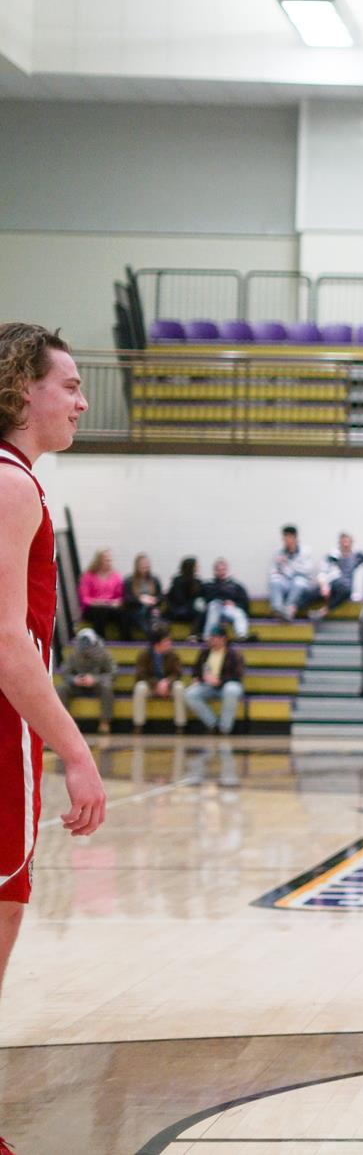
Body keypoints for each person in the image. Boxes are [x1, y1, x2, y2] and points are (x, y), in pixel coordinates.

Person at [0, 324, 107, 1035]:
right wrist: (77, 751)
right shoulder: (12, 484)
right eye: (69, 387)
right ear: (21, 389)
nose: (82, 402)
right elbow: (8, 643)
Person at [184, 630, 246, 734]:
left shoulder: (234, 654)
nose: (211, 640)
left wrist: (220, 680)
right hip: (208, 686)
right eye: (210, 638)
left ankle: (224, 728)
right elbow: (196, 670)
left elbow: (238, 676)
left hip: (227, 685)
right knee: (189, 694)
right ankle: (213, 724)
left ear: (223, 639)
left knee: (231, 690)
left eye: (214, 638)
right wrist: (197, 678)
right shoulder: (205, 653)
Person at [57, 627, 117, 733]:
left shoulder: (104, 654)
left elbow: (113, 674)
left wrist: (95, 679)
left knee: (107, 688)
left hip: (96, 685)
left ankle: (105, 722)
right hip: (78, 685)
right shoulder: (74, 655)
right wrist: (74, 679)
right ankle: (67, 722)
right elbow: (65, 672)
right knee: (62, 689)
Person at [131, 628, 187, 733]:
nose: (169, 643)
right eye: (166, 641)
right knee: (140, 688)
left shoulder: (173, 655)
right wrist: (157, 684)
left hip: (169, 686)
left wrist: (167, 682)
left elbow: (178, 673)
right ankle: (138, 724)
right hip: (151, 685)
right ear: (157, 644)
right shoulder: (144, 654)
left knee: (179, 687)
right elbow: (141, 675)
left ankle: (180, 725)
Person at [313, 532, 363, 616]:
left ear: (352, 542)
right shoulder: (332, 556)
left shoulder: (360, 557)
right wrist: (323, 585)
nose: (345, 544)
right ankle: (295, 609)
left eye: (347, 542)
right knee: (311, 592)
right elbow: (323, 572)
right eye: (343, 542)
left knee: (345, 590)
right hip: (332, 586)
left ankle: (324, 611)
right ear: (339, 543)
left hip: (347, 590)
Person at [267, 525, 317, 622]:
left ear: (295, 538)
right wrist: (278, 570)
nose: (286, 540)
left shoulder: (305, 551)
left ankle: (288, 611)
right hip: (285, 582)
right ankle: (277, 609)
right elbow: (272, 571)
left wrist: (289, 563)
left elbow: (307, 570)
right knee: (274, 580)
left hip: (301, 583)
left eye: (288, 537)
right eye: (284, 537)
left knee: (299, 581)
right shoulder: (279, 552)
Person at [78, 549, 125, 638]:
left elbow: (120, 596)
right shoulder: (88, 576)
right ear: (99, 561)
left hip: (110, 607)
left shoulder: (116, 576)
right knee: (100, 612)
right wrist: (100, 602)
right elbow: (85, 599)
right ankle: (101, 640)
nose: (109, 563)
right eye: (106, 560)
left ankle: (125, 640)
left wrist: (116, 602)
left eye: (110, 560)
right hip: (93, 608)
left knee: (123, 613)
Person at [201, 559, 251, 640]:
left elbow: (245, 602)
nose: (221, 572)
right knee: (214, 604)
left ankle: (241, 634)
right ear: (215, 571)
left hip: (229, 609)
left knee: (239, 613)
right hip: (213, 610)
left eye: (223, 569)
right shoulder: (208, 585)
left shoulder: (236, 586)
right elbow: (202, 600)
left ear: (227, 570)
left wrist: (235, 604)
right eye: (219, 570)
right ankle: (208, 636)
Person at [123, 552, 162, 638]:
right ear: (137, 566)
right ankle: (151, 635)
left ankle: (155, 629)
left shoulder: (155, 580)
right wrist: (141, 599)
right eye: (142, 564)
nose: (145, 566)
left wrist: (154, 599)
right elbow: (127, 599)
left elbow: (160, 597)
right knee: (144, 611)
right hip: (136, 609)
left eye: (146, 564)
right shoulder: (129, 580)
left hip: (151, 608)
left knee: (153, 611)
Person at [164, 555, 202, 626]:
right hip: (178, 611)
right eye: (196, 565)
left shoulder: (198, 581)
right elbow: (179, 599)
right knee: (198, 613)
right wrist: (192, 605)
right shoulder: (178, 580)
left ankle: (197, 631)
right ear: (191, 567)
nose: (199, 566)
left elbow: (199, 597)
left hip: (190, 611)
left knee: (202, 611)